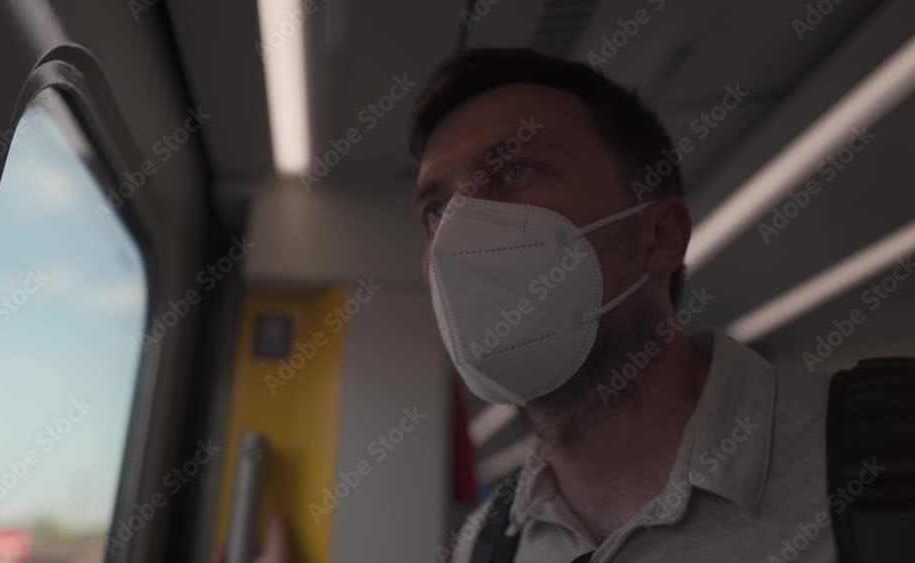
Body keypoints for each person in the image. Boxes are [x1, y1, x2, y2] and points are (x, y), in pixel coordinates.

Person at [223, 47, 834, 563]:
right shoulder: (487, 544)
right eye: (437, 210)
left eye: (516, 170)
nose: (461, 232)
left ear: (660, 237)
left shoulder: (872, 460)